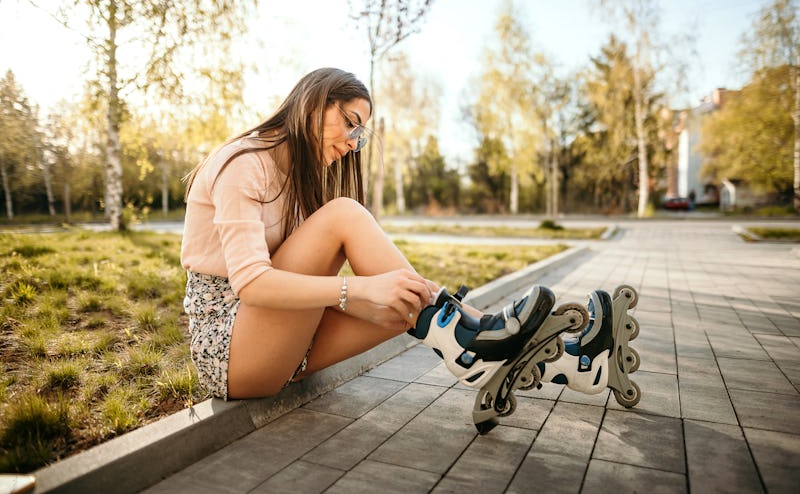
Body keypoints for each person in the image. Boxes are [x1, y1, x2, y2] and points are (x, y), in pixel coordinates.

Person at [180, 68, 628, 432]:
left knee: (403, 303)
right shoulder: (242, 163)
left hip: (283, 343)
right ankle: (481, 335)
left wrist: (376, 292)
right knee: (345, 216)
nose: (353, 143)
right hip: (231, 349)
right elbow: (252, 283)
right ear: (314, 103)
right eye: (351, 124)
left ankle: (576, 364)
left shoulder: (297, 174)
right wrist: (353, 293)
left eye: (361, 134)